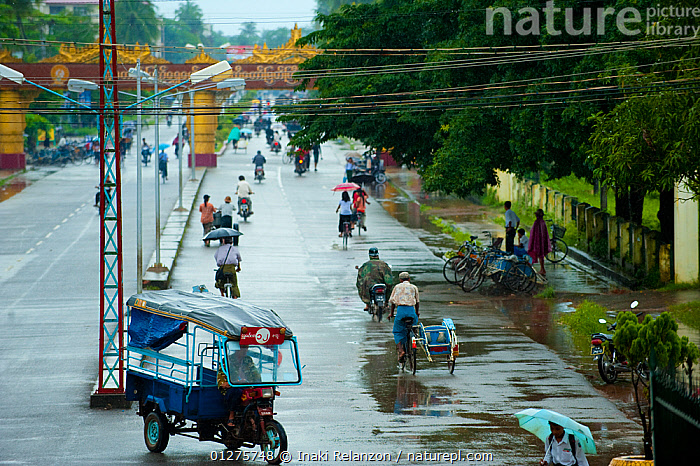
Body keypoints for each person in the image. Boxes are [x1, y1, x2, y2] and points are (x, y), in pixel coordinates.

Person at [217, 346, 261, 428]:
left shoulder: (248, 360)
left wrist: (260, 381)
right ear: (237, 348)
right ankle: (231, 416)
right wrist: (233, 383)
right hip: (233, 388)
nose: (245, 350)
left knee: (263, 391)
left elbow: (255, 373)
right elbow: (221, 382)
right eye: (243, 348)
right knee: (236, 392)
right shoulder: (227, 360)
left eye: (246, 348)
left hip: (247, 386)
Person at [389, 272, 420, 362]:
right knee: (413, 327)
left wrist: (391, 313)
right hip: (411, 311)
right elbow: (417, 302)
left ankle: (401, 350)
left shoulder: (397, 287)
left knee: (397, 331)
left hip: (401, 311)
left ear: (400, 280)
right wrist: (417, 313)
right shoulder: (414, 287)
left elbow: (392, 302)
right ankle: (414, 337)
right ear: (409, 279)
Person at [528, 208, 551, 276]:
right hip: (542, 240)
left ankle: (542, 269)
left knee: (540, 255)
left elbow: (534, 233)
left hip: (537, 241)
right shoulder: (542, 222)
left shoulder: (537, 222)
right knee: (541, 255)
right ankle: (542, 269)